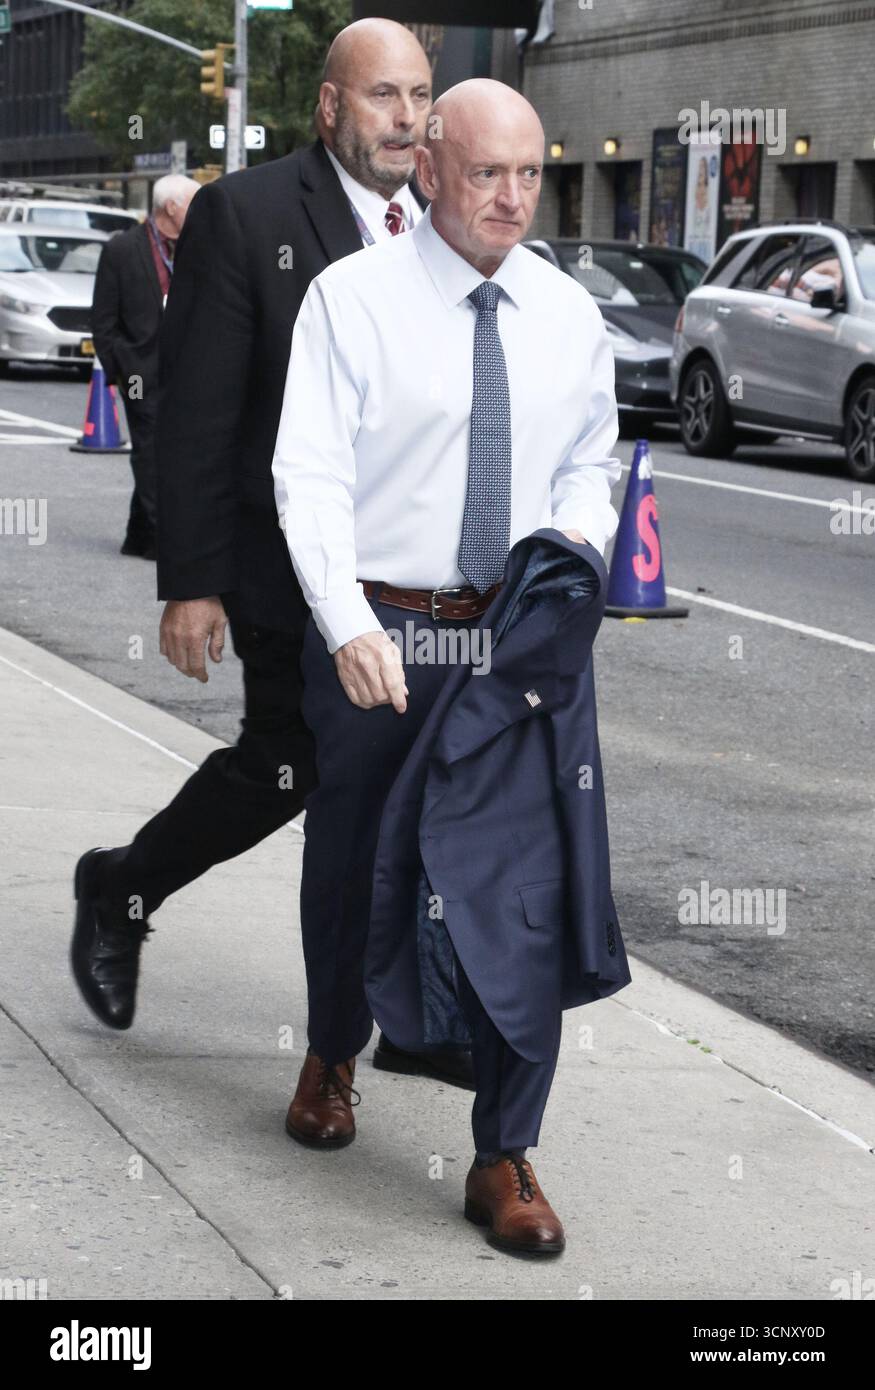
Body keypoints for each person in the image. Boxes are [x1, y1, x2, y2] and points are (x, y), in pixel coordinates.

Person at [71, 21, 475, 1091]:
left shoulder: (446, 219)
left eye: (419, 95)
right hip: (282, 563)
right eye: (381, 96)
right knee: (289, 769)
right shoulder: (244, 216)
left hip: (419, 581)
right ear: (331, 108)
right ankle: (125, 888)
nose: (404, 117)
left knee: (406, 785)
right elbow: (198, 408)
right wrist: (189, 579)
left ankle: (373, 1023)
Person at [271, 78, 624, 1252]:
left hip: (515, 634)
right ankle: (332, 1049)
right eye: (487, 173)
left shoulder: (566, 314)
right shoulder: (351, 300)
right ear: (428, 167)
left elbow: (590, 459)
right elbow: (308, 474)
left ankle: (503, 1151)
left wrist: (571, 553)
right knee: (355, 855)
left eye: (530, 173)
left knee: (520, 883)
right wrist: (344, 622)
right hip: (385, 626)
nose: (512, 198)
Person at [91, 174, 200, 559]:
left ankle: (137, 534)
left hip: (184, 369)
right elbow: (103, 318)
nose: (199, 211)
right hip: (139, 371)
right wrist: (119, 368)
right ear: (171, 206)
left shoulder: (198, 247)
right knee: (151, 451)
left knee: (167, 450)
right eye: (193, 202)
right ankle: (159, 537)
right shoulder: (123, 249)